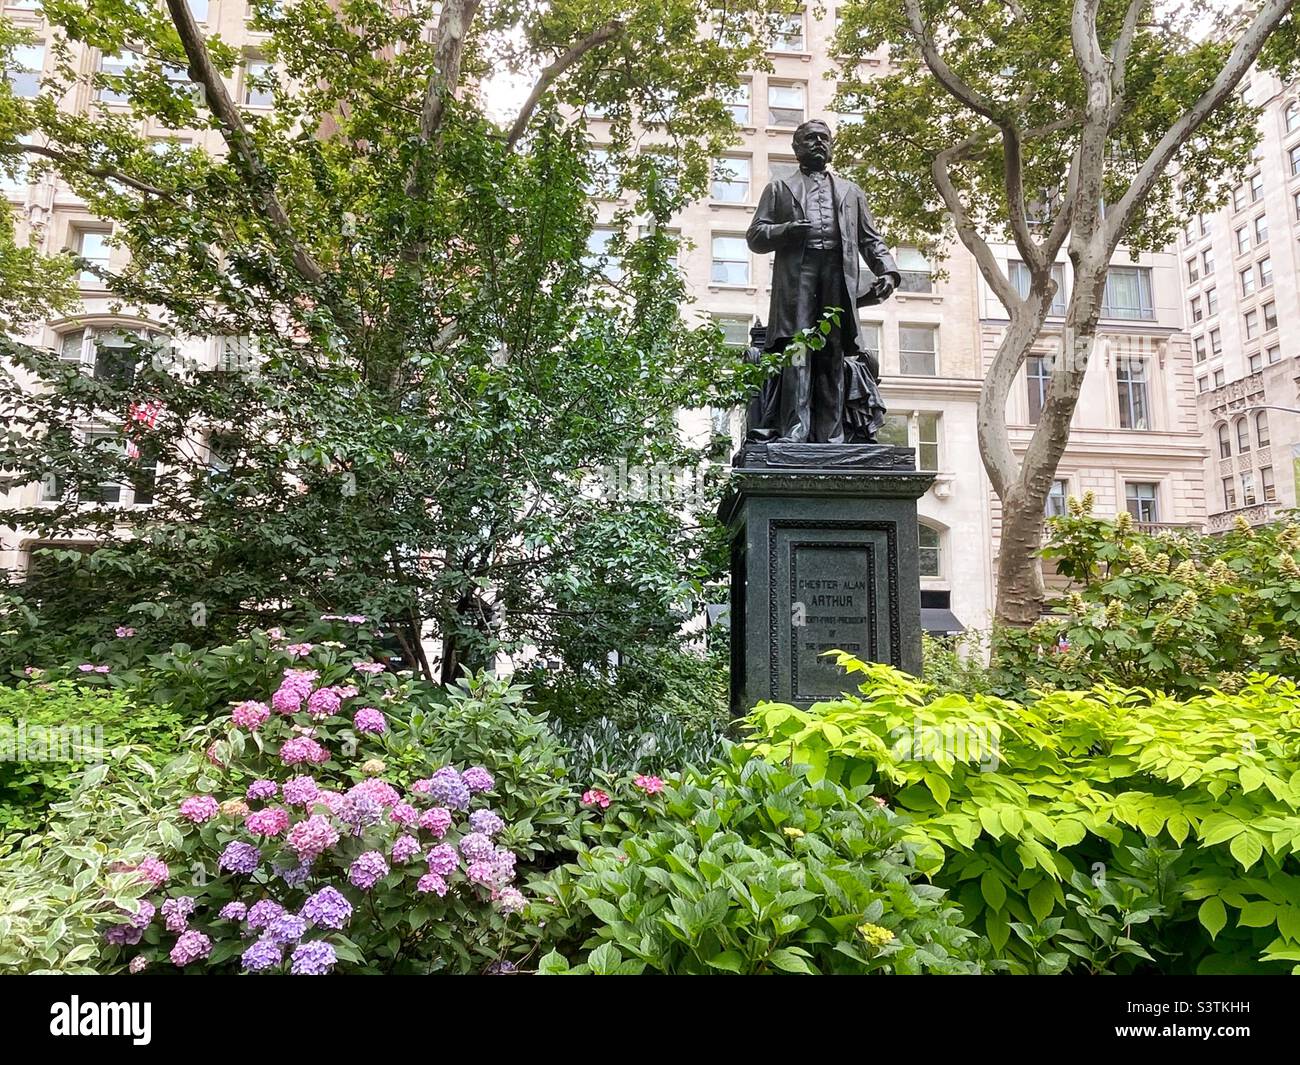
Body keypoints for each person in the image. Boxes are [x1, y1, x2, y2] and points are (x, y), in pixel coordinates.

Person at [745, 118, 900, 443]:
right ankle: (795, 431)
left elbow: (870, 240)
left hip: (836, 278)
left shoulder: (850, 192)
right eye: (811, 138)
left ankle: (832, 436)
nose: (818, 143)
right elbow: (756, 236)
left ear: (831, 147)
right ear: (796, 148)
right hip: (798, 280)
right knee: (797, 351)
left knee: (832, 354)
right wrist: (785, 231)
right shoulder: (779, 188)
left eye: (824, 138)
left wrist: (887, 269)